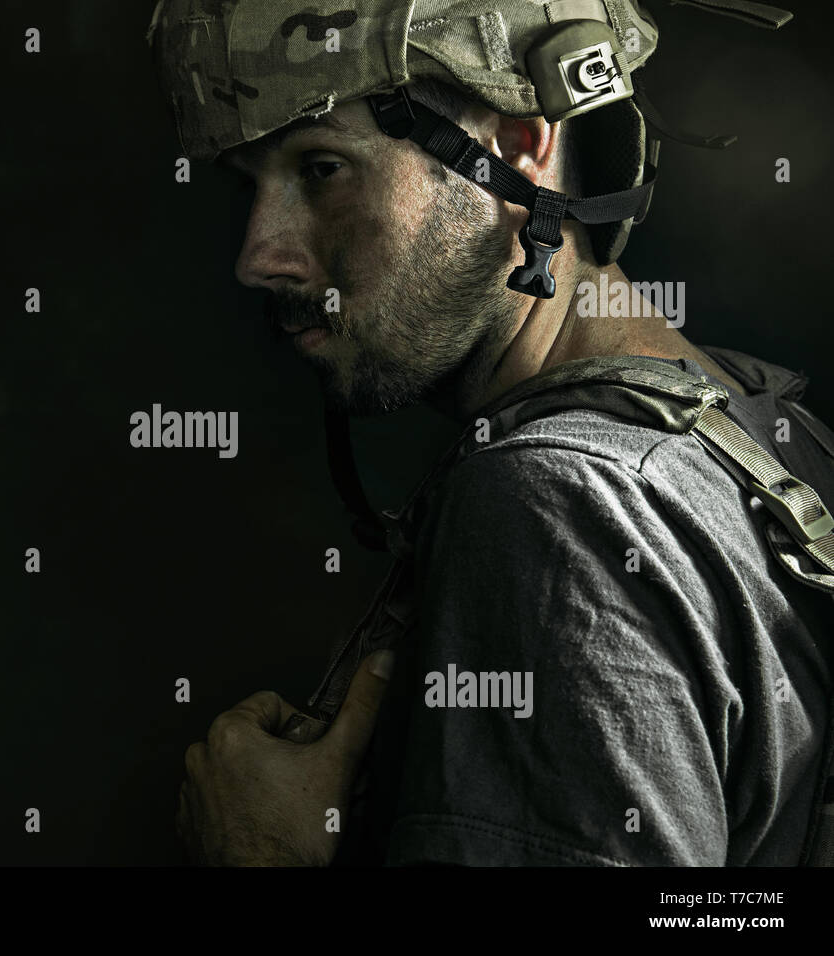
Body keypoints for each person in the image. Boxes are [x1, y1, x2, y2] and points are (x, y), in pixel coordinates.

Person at [150, 0, 834, 865]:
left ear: (521, 145)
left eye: (322, 169)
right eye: (252, 188)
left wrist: (259, 858)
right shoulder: (771, 433)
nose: (260, 254)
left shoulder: (553, 505)